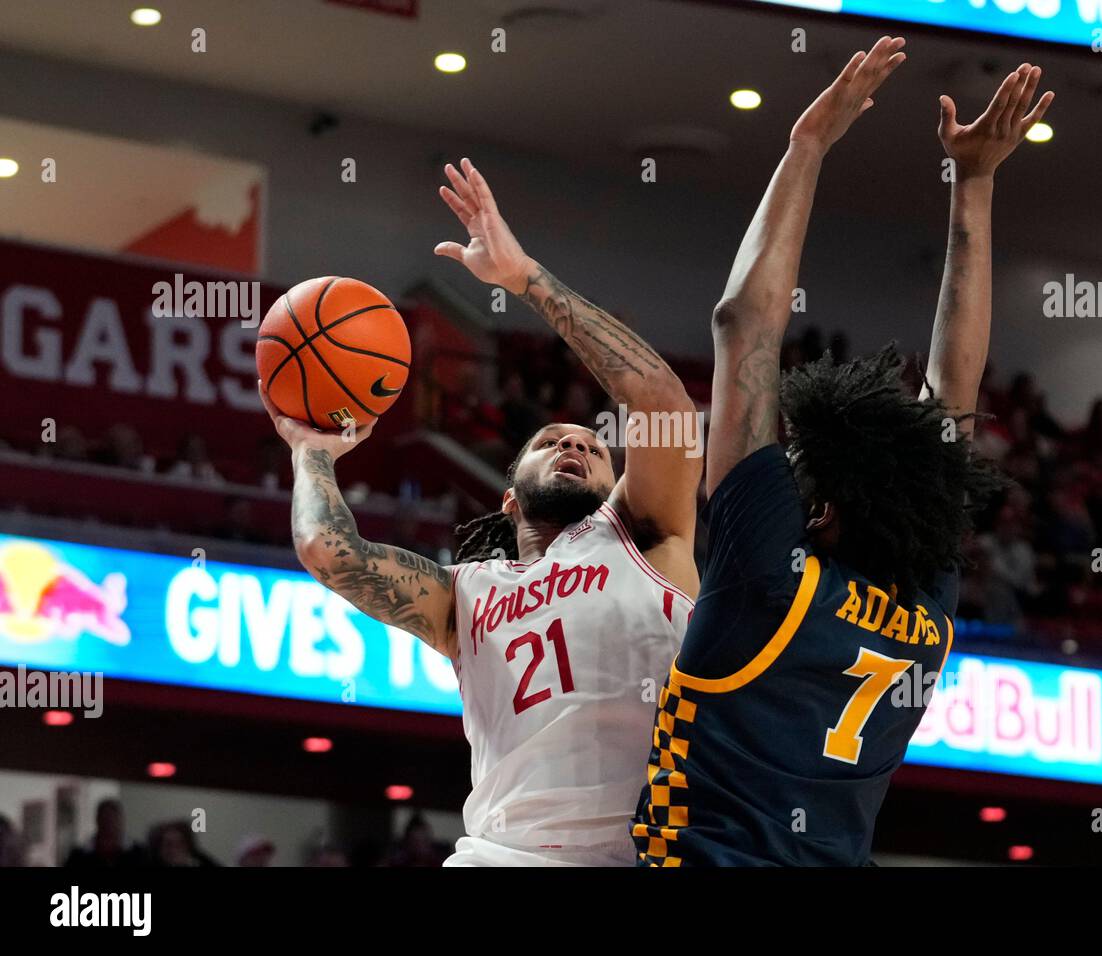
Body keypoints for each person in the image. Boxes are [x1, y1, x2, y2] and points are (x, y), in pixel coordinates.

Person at [630, 41, 1051, 865]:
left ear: (819, 510)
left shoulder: (773, 583)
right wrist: (976, 183)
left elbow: (745, 328)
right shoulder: (923, 613)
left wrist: (808, 146)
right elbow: (949, 409)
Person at [262, 158, 702, 866]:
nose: (571, 443)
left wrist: (525, 278)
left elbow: (664, 407)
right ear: (508, 495)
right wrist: (310, 452)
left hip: (639, 855)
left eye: (591, 444)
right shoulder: (464, 596)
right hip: (500, 854)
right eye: (549, 441)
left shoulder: (645, 535)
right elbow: (327, 552)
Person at [63, 798, 146, 869]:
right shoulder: (79, 856)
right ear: (97, 820)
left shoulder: (138, 854)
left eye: (113, 819)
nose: (109, 823)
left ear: (121, 821)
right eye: (105, 818)